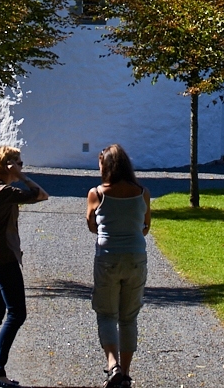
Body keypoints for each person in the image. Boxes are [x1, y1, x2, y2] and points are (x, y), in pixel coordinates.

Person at [0, 145, 49, 387]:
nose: (22, 166)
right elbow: (41, 194)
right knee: (17, 313)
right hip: (4, 258)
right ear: (8, 165)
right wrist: (22, 178)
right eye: (18, 162)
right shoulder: (3, 192)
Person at [86, 144, 151, 388]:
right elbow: (146, 226)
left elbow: (92, 225)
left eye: (101, 163)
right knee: (129, 317)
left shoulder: (97, 193)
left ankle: (112, 364)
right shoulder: (142, 192)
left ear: (107, 166)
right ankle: (125, 373)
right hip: (135, 256)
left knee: (106, 313)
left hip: (108, 257)